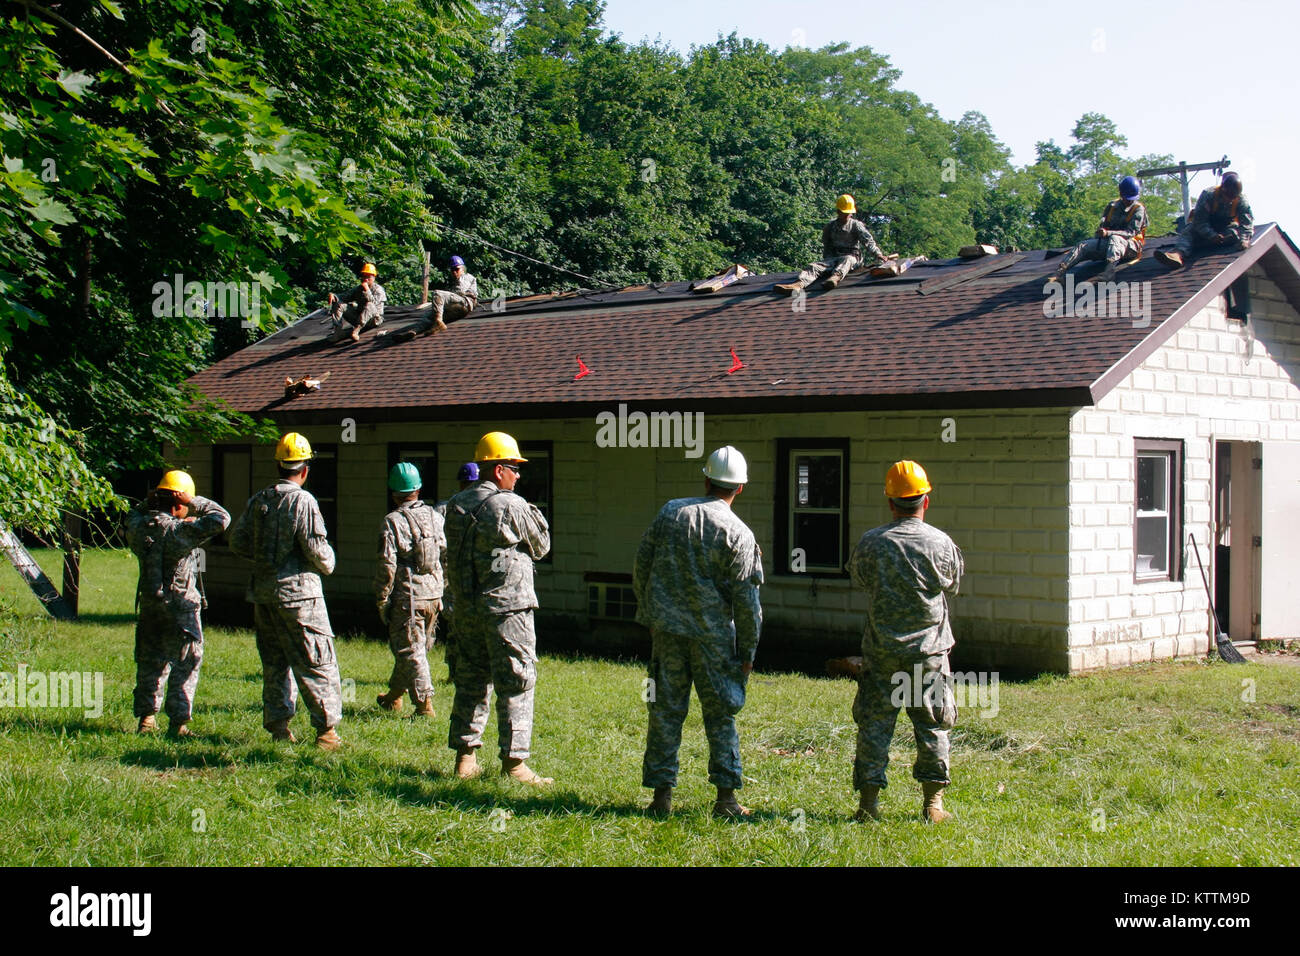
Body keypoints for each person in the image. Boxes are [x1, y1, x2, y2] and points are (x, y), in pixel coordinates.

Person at [634, 446, 764, 819]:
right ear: (739, 488)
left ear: (706, 480)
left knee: (664, 711)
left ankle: (661, 798)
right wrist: (748, 654)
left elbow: (642, 562)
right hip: (713, 639)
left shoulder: (671, 512)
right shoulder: (739, 533)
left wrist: (650, 612)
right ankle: (726, 799)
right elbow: (747, 601)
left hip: (668, 632)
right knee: (720, 714)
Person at [847, 460, 964, 824]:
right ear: (925, 501)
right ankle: (933, 805)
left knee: (874, 726)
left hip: (881, 653)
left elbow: (860, 581)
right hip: (927, 653)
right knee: (931, 724)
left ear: (890, 502)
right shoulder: (941, 544)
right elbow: (953, 585)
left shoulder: (871, 543)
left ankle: (868, 807)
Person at [443, 433, 552, 784]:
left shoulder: (455, 505)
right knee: (516, 682)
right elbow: (542, 545)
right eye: (515, 469)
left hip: (467, 610)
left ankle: (465, 758)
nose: (519, 476)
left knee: (471, 681)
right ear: (500, 469)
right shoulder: (509, 505)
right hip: (507, 611)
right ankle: (515, 764)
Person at [229, 432, 345, 750]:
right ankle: (326, 732)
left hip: (263, 593)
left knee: (276, 662)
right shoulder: (304, 500)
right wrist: (330, 561)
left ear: (279, 465)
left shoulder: (260, 498)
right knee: (316, 660)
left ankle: (279, 726)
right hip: (300, 597)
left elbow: (237, 541)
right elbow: (318, 552)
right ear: (304, 469)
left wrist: (266, 558)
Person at [125, 470, 230, 737]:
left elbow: (132, 515)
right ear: (178, 503)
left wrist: (149, 500)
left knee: (150, 661)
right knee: (186, 662)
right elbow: (221, 519)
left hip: (150, 605)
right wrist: (194, 501)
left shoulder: (139, 528)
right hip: (181, 608)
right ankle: (178, 724)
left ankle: (147, 719)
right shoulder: (179, 531)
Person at [374, 462, 447, 716]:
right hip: (433, 595)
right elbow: (445, 554)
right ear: (418, 488)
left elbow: (387, 564)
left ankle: (424, 705)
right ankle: (394, 696)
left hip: (408, 597)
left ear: (393, 492)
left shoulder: (392, 521)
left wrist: (382, 598)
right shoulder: (435, 516)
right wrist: (442, 587)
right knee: (415, 647)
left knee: (411, 651)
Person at [775, 194, 886, 294]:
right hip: (834, 258)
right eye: (845, 212)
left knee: (847, 259)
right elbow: (827, 245)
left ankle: (835, 278)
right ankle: (798, 285)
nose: (847, 215)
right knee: (814, 266)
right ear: (838, 211)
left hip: (853, 258)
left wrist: (878, 254)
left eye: (849, 213)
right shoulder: (830, 227)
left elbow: (868, 241)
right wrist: (826, 264)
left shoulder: (856, 225)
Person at [1048, 176, 1149, 284]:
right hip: (1109, 245)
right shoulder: (1112, 206)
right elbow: (1103, 226)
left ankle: (1108, 274)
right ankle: (1059, 274)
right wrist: (1100, 233)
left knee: (1115, 238)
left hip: (1130, 246)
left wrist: (1108, 233)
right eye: (1127, 198)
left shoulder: (1138, 209)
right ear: (1121, 194)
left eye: (1131, 198)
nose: (1129, 201)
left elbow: (1131, 232)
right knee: (1083, 245)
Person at [433, 462, 480, 684]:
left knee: (460, 625)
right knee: (456, 625)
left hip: (460, 574)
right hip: (454, 576)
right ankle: (456, 672)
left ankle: (462, 671)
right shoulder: (447, 508)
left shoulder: (448, 507)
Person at [1157, 171, 1253, 269]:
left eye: (1232, 198)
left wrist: (1244, 240)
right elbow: (1199, 221)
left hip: (1225, 228)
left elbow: (1246, 223)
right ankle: (1178, 254)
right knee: (1189, 232)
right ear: (1222, 190)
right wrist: (1211, 235)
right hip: (1204, 226)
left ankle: (1199, 244)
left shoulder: (1241, 200)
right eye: (1227, 197)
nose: (1229, 200)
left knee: (1234, 234)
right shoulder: (1208, 195)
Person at [391, 256, 479, 341]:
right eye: (452, 270)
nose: (454, 272)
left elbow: (460, 291)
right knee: (429, 315)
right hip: (455, 308)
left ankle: (438, 322)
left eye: (456, 269)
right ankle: (414, 331)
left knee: (437, 293)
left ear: (463, 269)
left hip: (465, 303)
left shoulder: (466, 277)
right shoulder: (454, 282)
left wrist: (443, 297)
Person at [326, 262, 387, 342]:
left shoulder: (378, 290)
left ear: (374, 277)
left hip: (374, 320)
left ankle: (356, 331)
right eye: (364, 276)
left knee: (369, 304)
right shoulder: (358, 289)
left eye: (368, 277)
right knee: (338, 304)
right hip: (359, 317)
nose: (366, 279)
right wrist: (334, 296)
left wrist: (367, 290)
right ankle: (338, 332)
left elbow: (374, 305)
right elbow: (344, 296)